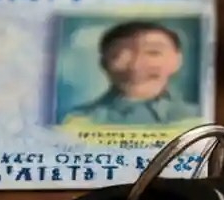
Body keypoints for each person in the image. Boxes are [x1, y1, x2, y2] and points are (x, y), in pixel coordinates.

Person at [65, 20, 199, 125]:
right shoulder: (75, 120)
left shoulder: (198, 118)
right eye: (121, 55)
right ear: (103, 63)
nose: (136, 66)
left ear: (177, 61)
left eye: (153, 53)